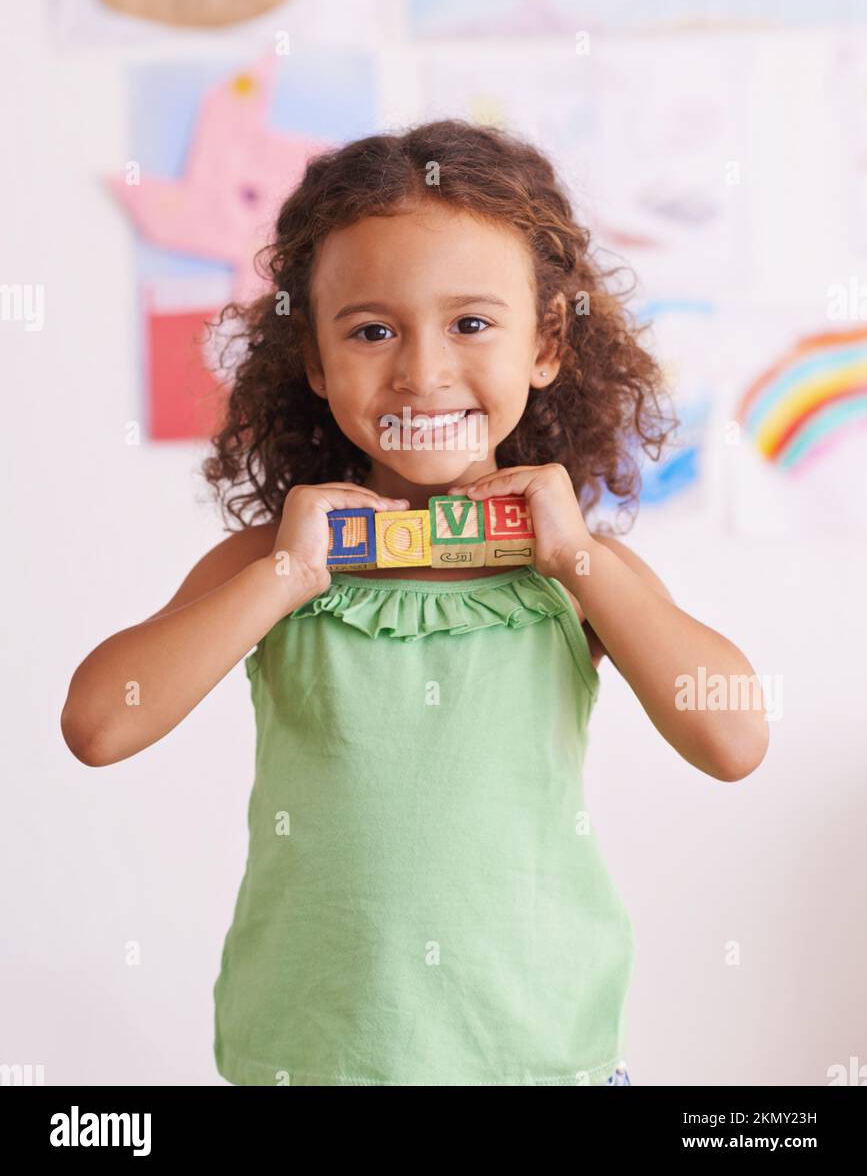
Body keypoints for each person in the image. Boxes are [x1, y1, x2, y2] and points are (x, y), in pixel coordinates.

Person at [61, 119, 769, 1086]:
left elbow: (733, 741)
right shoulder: (270, 564)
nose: (422, 372)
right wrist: (283, 576)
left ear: (547, 343)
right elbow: (100, 725)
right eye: (370, 329)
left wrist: (574, 559)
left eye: (471, 323)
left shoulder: (576, 571)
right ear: (314, 359)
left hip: (540, 1062)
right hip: (311, 1064)